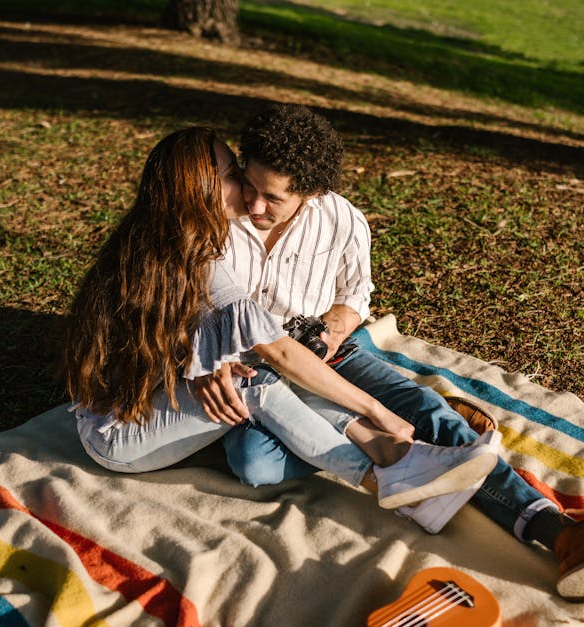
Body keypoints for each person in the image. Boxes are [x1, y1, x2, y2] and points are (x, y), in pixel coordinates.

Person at [192, 104, 584, 600]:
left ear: (314, 192)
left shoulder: (342, 220)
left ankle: (564, 536)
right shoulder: (217, 220)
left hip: (329, 357)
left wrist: (334, 327)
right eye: (250, 187)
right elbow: (174, 307)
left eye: (273, 198)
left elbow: (355, 296)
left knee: (429, 413)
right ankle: (398, 452)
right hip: (257, 376)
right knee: (255, 464)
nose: (254, 206)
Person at [59, 127, 503, 531]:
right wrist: (379, 412)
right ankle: (389, 473)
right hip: (120, 436)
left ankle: (402, 461)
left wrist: (207, 364)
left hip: (155, 396)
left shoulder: (161, 237)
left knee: (252, 374)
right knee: (261, 381)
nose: (247, 190)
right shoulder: (199, 263)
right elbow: (281, 353)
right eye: (233, 174)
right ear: (201, 189)